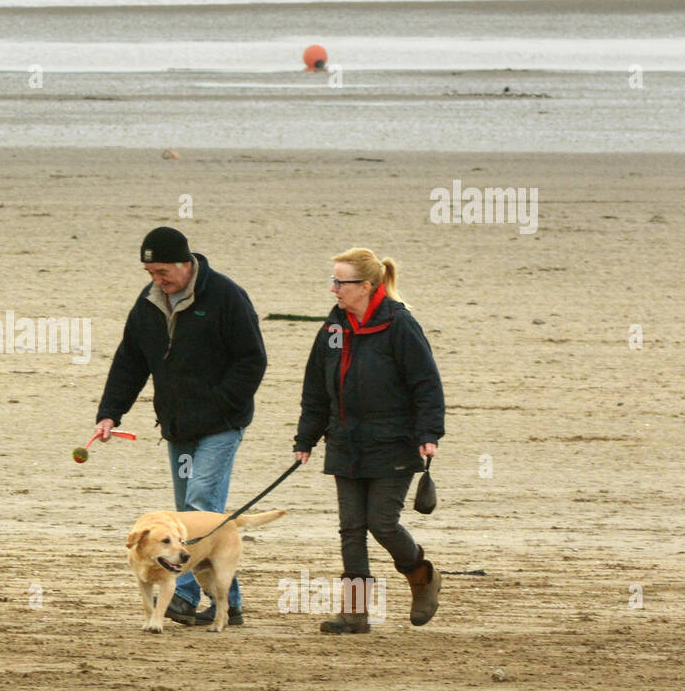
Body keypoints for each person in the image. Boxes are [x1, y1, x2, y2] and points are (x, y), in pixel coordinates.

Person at [96, 227, 267, 626]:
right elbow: (130, 362)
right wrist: (110, 413)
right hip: (178, 425)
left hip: (222, 423)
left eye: (162, 271)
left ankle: (185, 597)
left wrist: (222, 402)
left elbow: (252, 360)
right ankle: (232, 605)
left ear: (185, 263)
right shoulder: (149, 301)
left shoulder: (226, 296)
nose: (156, 279)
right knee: (186, 519)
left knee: (201, 501)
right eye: (149, 271)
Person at [293, 248, 445, 633]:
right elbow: (315, 389)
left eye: (340, 282)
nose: (333, 289)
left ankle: (421, 574)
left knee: (382, 523)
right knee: (351, 529)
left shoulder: (400, 325)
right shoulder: (332, 329)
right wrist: (306, 438)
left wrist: (429, 434)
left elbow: (426, 383)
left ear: (366, 286)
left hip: (393, 442)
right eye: (333, 281)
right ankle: (356, 614)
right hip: (345, 441)